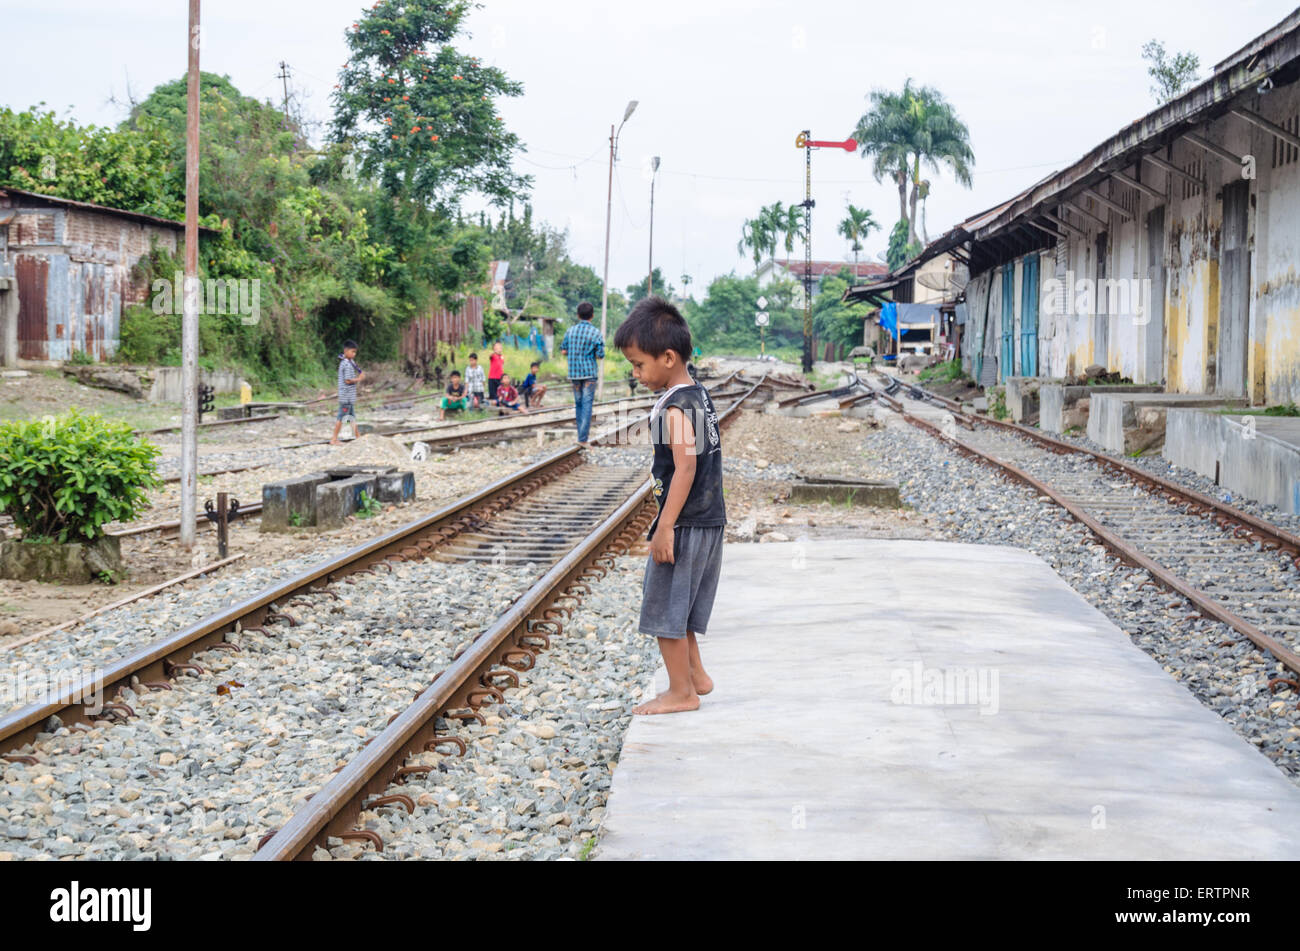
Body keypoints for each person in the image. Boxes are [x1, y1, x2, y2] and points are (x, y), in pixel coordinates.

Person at [613, 296, 724, 716]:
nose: (635, 373)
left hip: (685, 523)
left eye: (639, 364)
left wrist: (664, 526)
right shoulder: (697, 395)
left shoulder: (676, 407)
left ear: (668, 357)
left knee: (664, 610)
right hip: (709, 521)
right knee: (685, 607)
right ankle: (696, 675)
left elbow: (685, 467)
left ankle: (681, 693)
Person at [560, 301, 604, 447]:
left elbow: (563, 350)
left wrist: (573, 352)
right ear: (592, 316)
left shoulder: (570, 331)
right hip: (589, 373)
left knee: (578, 404)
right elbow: (600, 354)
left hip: (574, 374)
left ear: (578, 315)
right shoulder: (596, 333)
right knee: (587, 405)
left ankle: (581, 436)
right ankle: (582, 438)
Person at [330, 339, 364, 446]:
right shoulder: (346, 364)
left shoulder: (350, 362)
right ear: (346, 351)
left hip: (349, 397)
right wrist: (359, 379)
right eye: (352, 352)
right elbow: (348, 380)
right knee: (341, 417)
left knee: (351, 417)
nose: (354, 354)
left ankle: (358, 437)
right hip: (346, 397)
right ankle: (334, 439)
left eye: (355, 352)